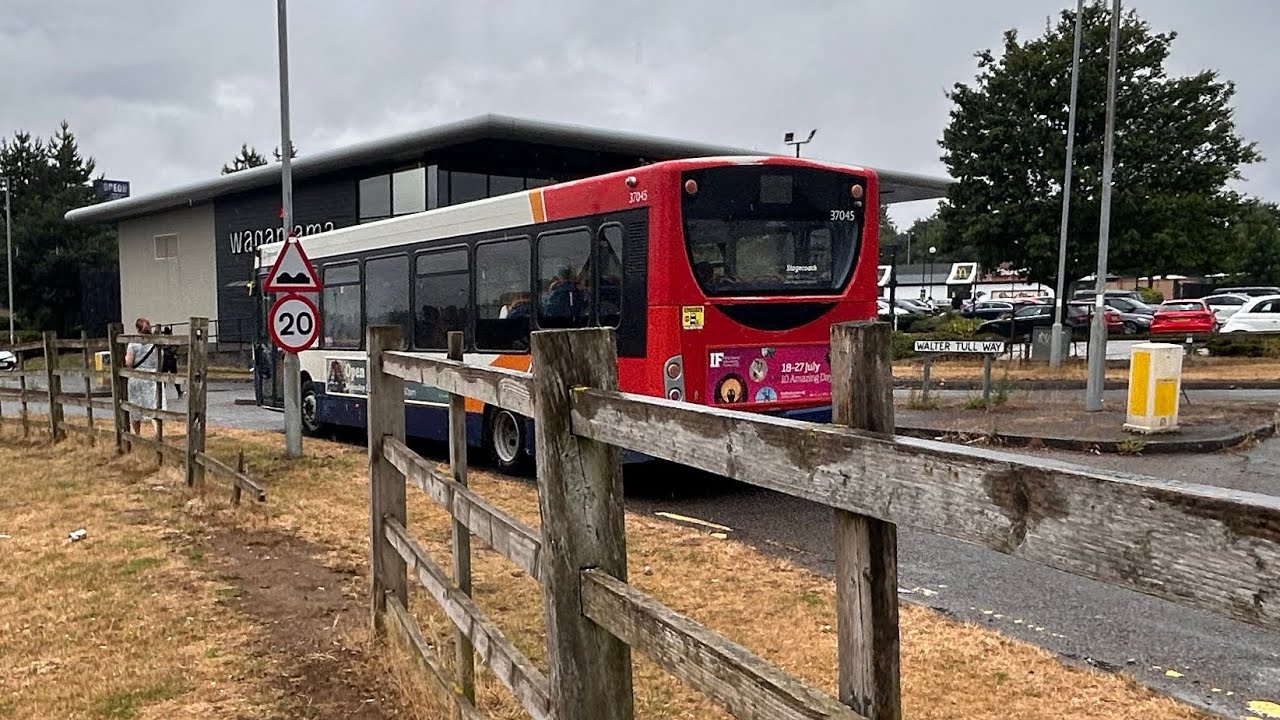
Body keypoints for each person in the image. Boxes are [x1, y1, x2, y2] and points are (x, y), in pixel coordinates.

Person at [124, 317, 167, 435]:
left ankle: (137, 433)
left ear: (137, 329)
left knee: (135, 407)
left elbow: (129, 363)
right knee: (155, 406)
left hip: (137, 377)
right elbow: (161, 361)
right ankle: (158, 432)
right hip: (153, 376)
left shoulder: (133, 343)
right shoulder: (156, 343)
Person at [159, 325, 182, 398]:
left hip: (166, 359)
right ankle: (179, 392)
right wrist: (173, 352)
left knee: (164, 376)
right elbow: (177, 346)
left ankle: (161, 393)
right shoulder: (172, 339)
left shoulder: (164, 339)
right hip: (171, 359)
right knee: (174, 376)